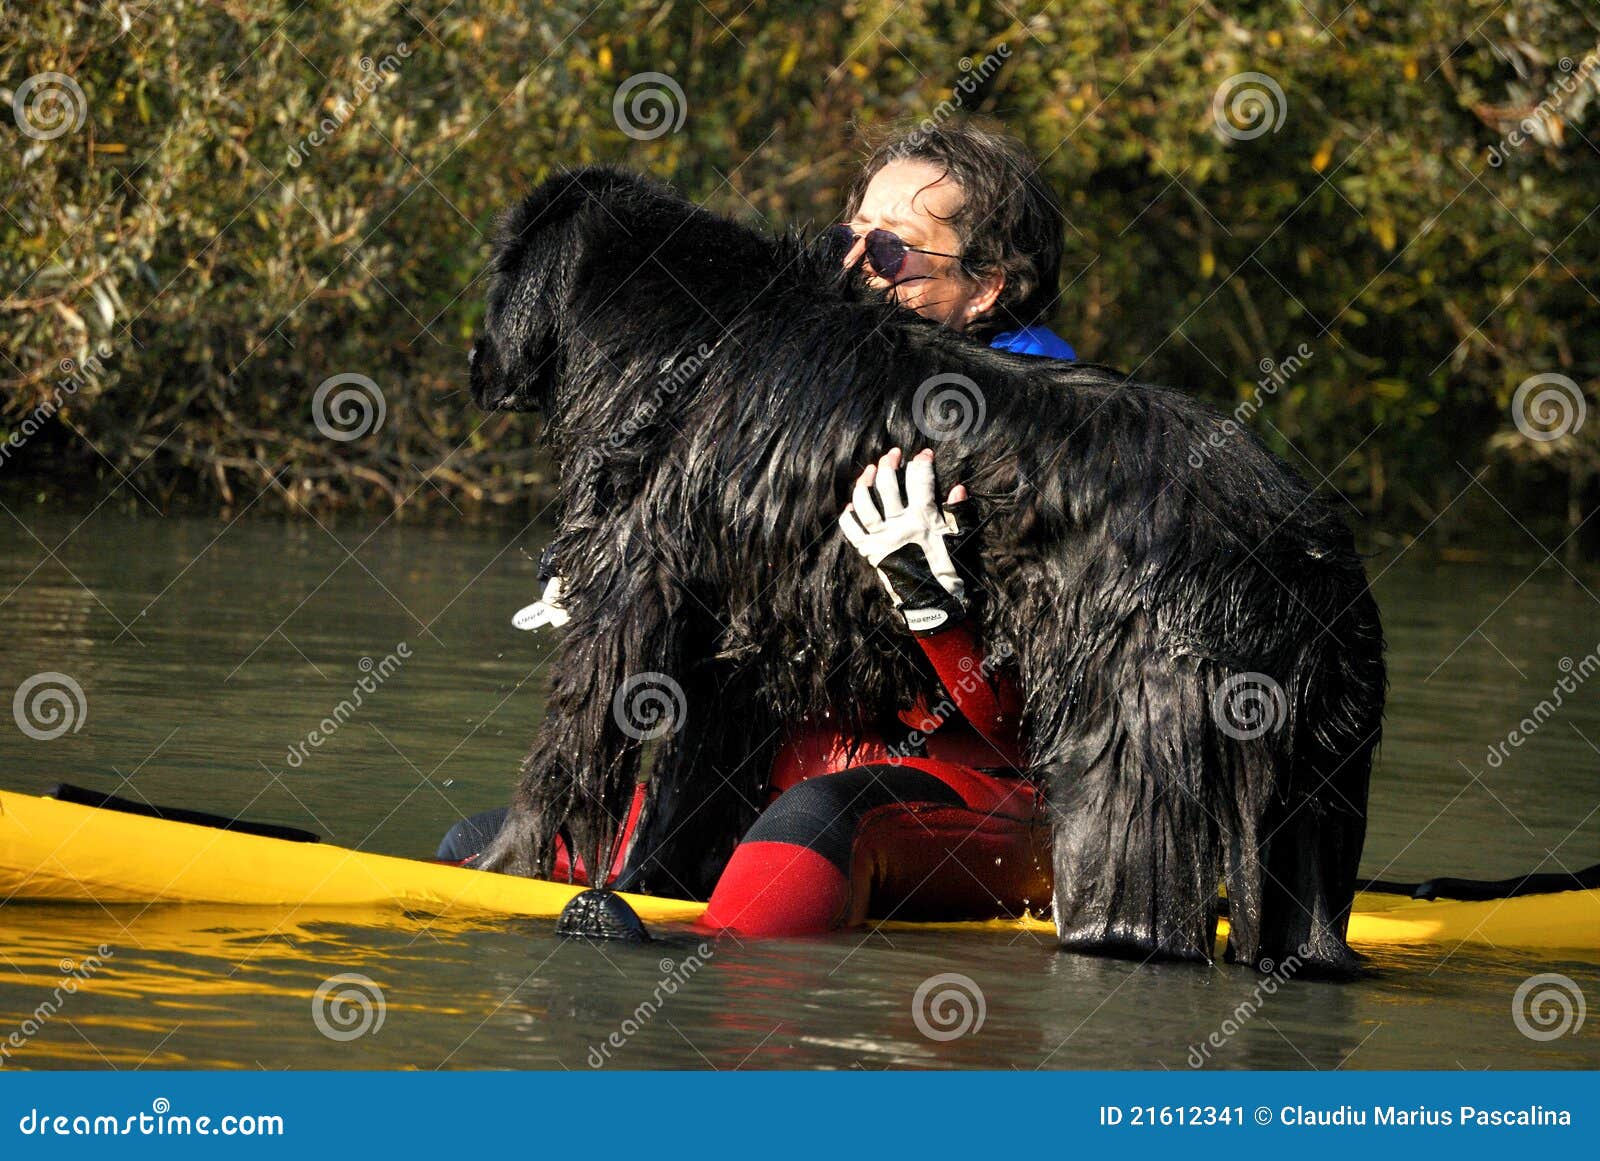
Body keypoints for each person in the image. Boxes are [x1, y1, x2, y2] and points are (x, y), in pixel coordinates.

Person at [439, 121, 1075, 934]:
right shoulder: (798, 428)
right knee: (476, 842)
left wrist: (936, 610)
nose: (855, 270)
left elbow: (1038, 726)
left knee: (808, 821)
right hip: (778, 781)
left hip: (981, 802)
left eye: (893, 255)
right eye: (849, 240)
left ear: (985, 289)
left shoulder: (1047, 448)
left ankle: (681, 974)